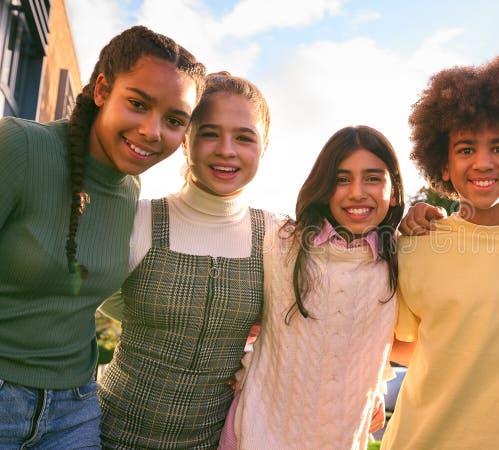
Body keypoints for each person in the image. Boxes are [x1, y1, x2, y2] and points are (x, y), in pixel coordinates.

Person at [0, 26, 204, 448]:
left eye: (174, 120)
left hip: (73, 408)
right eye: (137, 104)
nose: (151, 130)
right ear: (102, 90)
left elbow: (102, 294)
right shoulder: (20, 146)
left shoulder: (130, 192)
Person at [380, 53, 499, 450]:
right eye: (466, 149)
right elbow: (396, 345)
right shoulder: (414, 245)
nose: (482, 163)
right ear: (443, 164)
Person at [96, 71, 269, 449]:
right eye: (210, 133)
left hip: (209, 440)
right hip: (107, 433)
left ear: (264, 145)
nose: (227, 150)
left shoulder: (276, 236)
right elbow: (93, 300)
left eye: (244, 137)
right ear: (186, 140)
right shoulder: (138, 218)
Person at [218, 125, 405, 450]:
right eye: (342, 179)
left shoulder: (399, 258)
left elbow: (375, 341)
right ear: (324, 186)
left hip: (339, 437)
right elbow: (246, 318)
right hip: (256, 429)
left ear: (394, 191)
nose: (357, 192)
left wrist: (375, 385)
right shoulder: (281, 241)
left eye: (373, 178)